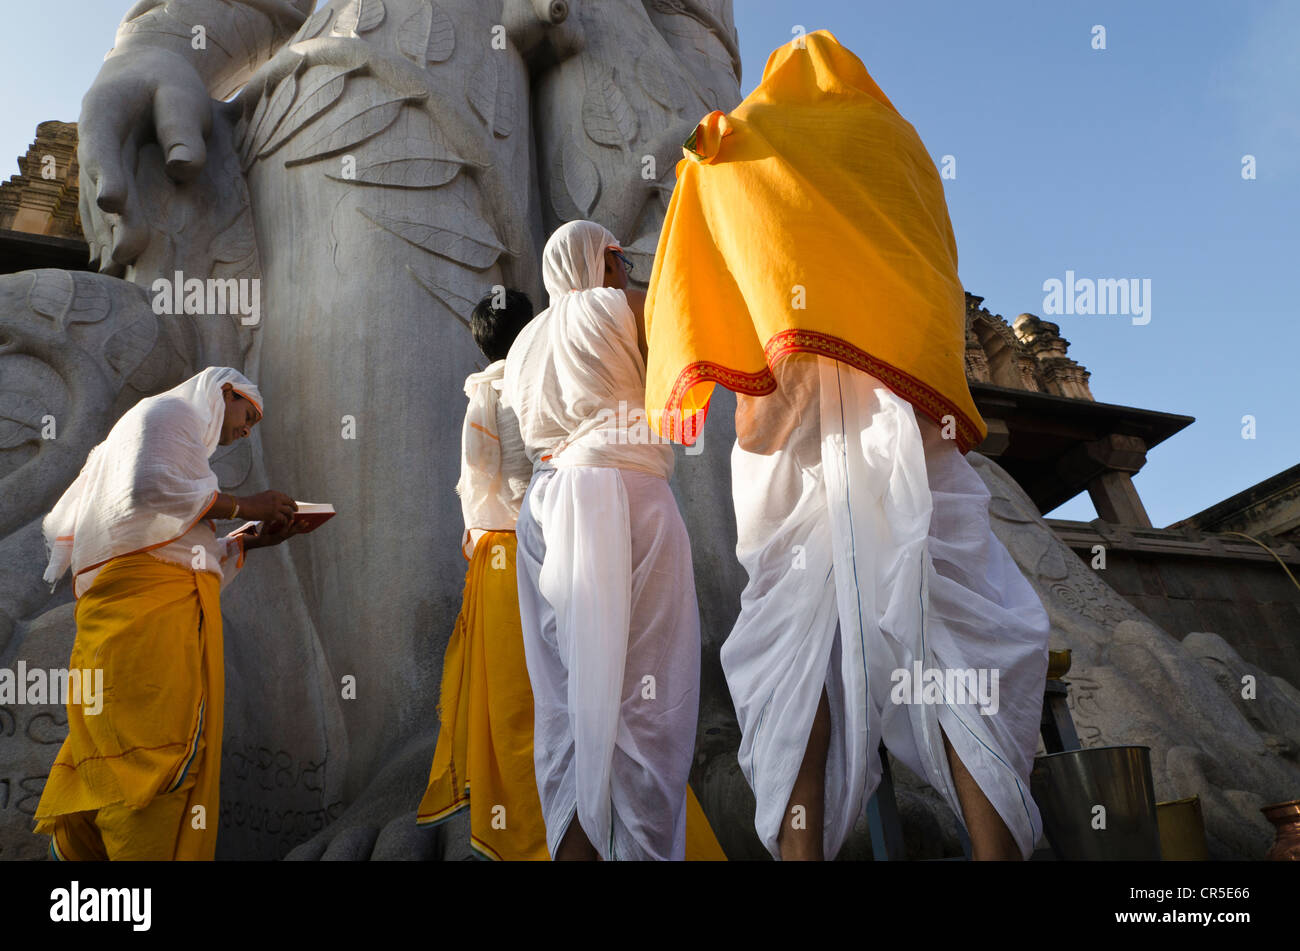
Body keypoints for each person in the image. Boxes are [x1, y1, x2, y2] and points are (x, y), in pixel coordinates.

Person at [642, 31, 1051, 861]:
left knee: (793, 649)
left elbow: (698, 235)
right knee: (956, 632)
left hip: (788, 427)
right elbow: (925, 266)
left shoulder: (743, 138)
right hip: (904, 417)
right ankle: (996, 849)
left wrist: (710, 153)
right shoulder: (894, 146)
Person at [504, 220, 714, 861]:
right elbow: (685, 408)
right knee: (648, 699)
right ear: (608, 260)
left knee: (566, 706)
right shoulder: (623, 305)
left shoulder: (523, 344)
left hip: (544, 507)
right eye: (620, 257)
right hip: (629, 501)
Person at [35, 366, 302, 861]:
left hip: (129, 616)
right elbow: (146, 489)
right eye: (249, 415)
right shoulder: (170, 412)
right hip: (146, 625)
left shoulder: (175, 441)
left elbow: (170, 546)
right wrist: (245, 506)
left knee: (109, 758)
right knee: (159, 756)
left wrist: (248, 541)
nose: (247, 429)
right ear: (224, 392)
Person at [416, 288, 550, 860]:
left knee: (517, 709)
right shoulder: (546, 380)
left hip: (503, 556)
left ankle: (531, 835)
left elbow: (477, 487)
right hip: (561, 547)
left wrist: (477, 532)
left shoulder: (487, 396)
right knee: (560, 697)